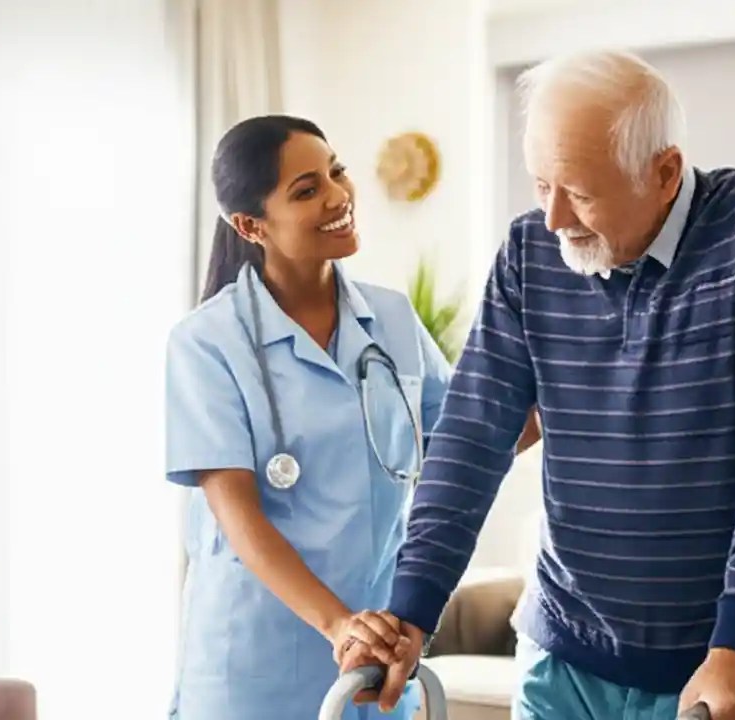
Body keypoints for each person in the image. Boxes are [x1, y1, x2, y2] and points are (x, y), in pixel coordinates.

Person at [341, 50, 735, 720]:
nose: (552, 219)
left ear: (664, 173)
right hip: (566, 662)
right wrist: (412, 611)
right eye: (540, 184)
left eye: (578, 191)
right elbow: (471, 439)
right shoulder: (530, 254)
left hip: (728, 669)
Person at [164, 114, 541, 719]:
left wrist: (572, 385)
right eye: (307, 190)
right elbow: (238, 517)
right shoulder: (207, 342)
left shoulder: (390, 320)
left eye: (335, 171)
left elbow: (466, 443)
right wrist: (339, 625)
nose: (339, 196)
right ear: (251, 225)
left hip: (374, 657)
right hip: (257, 661)